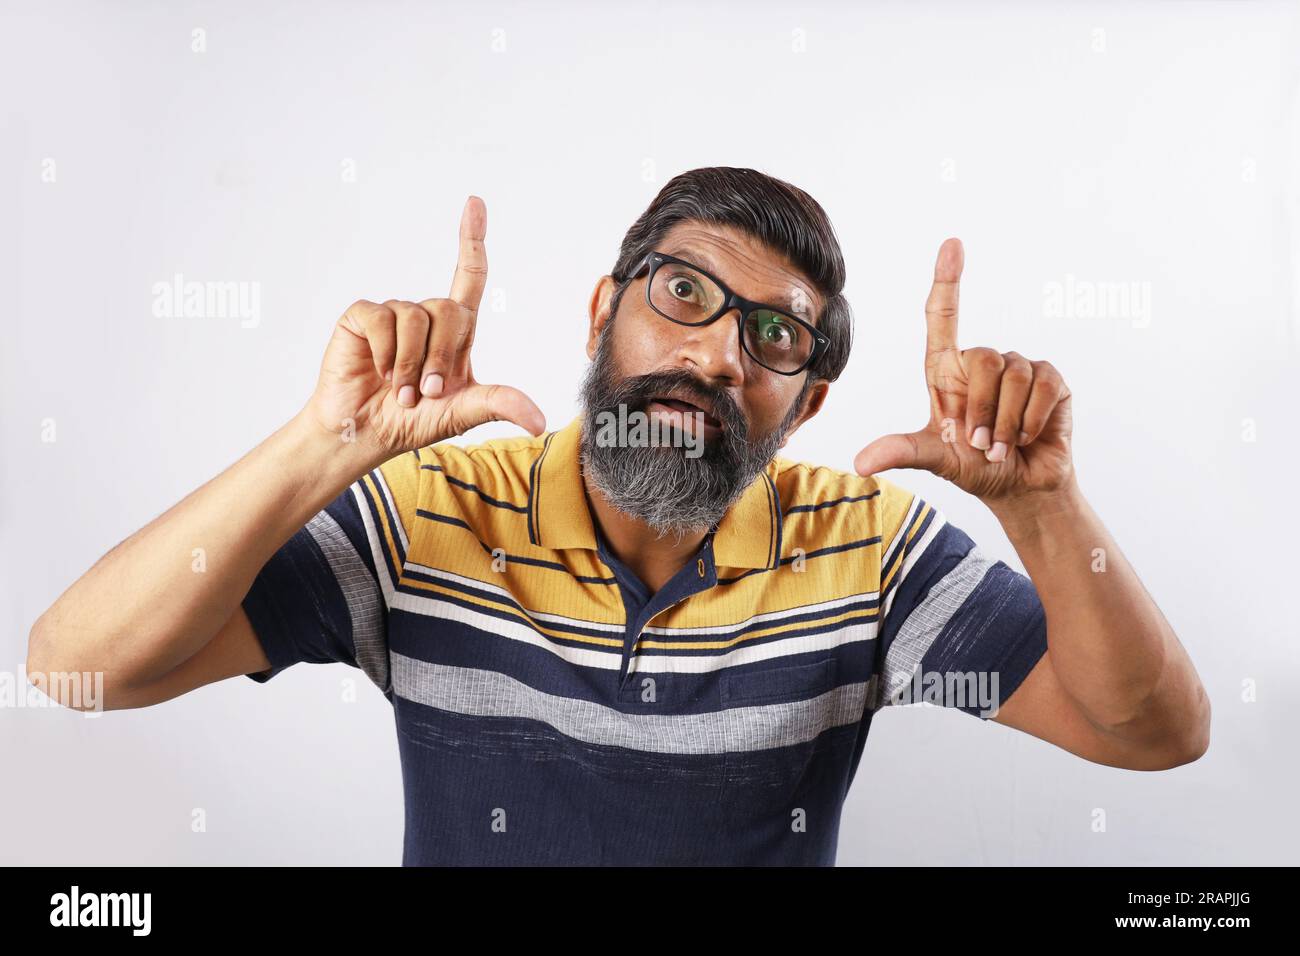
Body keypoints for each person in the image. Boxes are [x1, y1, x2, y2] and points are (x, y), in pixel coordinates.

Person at [27, 167, 1210, 865]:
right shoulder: (436, 518)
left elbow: (1152, 732)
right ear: (604, 312)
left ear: (802, 405)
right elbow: (77, 668)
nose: (710, 356)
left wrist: (1044, 506)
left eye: (772, 337)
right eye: (682, 293)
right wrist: (315, 449)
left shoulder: (867, 551)